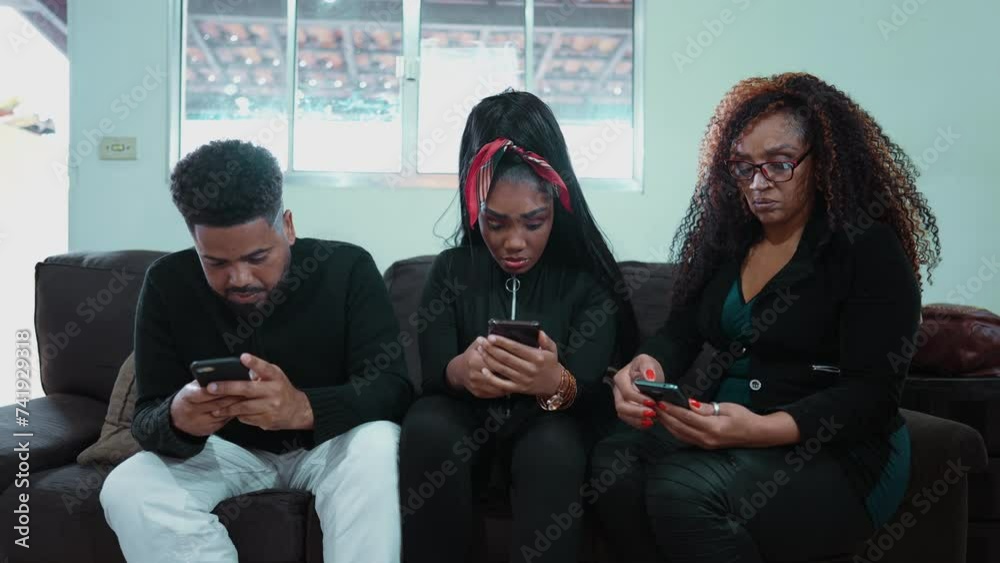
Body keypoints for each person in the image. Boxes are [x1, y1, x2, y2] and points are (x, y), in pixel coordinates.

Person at [592, 72, 941, 563]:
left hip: (835, 451)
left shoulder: (866, 250)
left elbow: (871, 396)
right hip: (731, 430)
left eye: (779, 165)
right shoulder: (731, 240)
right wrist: (645, 369)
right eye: (743, 168)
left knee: (681, 488)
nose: (758, 185)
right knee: (613, 461)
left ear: (822, 163)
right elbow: (681, 331)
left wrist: (757, 429)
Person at [100, 140, 412, 563]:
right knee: (128, 487)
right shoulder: (166, 283)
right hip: (224, 452)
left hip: (329, 448)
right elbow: (147, 417)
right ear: (195, 242)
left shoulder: (347, 268)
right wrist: (178, 416)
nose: (240, 278)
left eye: (258, 256)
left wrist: (303, 408)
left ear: (287, 225)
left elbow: (392, 388)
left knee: (378, 444)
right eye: (216, 263)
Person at [399, 90, 639, 563]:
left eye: (534, 222)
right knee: (427, 424)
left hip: (550, 428)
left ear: (556, 205)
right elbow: (430, 375)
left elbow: (592, 392)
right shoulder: (452, 270)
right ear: (475, 209)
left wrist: (556, 383)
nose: (514, 244)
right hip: (464, 422)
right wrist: (459, 372)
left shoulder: (586, 281)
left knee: (552, 444)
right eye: (495, 223)